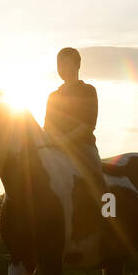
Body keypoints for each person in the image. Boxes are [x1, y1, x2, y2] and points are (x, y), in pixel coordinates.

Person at [44, 47, 107, 209]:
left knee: (99, 179)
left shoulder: (88, 90)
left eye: (66, 64)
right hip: (55, 148)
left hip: (83, 147)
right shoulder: (53, 96)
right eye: (59, 65)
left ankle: (109, 216)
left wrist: (64, 141)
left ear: (77, 65)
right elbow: (47, 126)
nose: (62, 69)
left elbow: (87, 125)